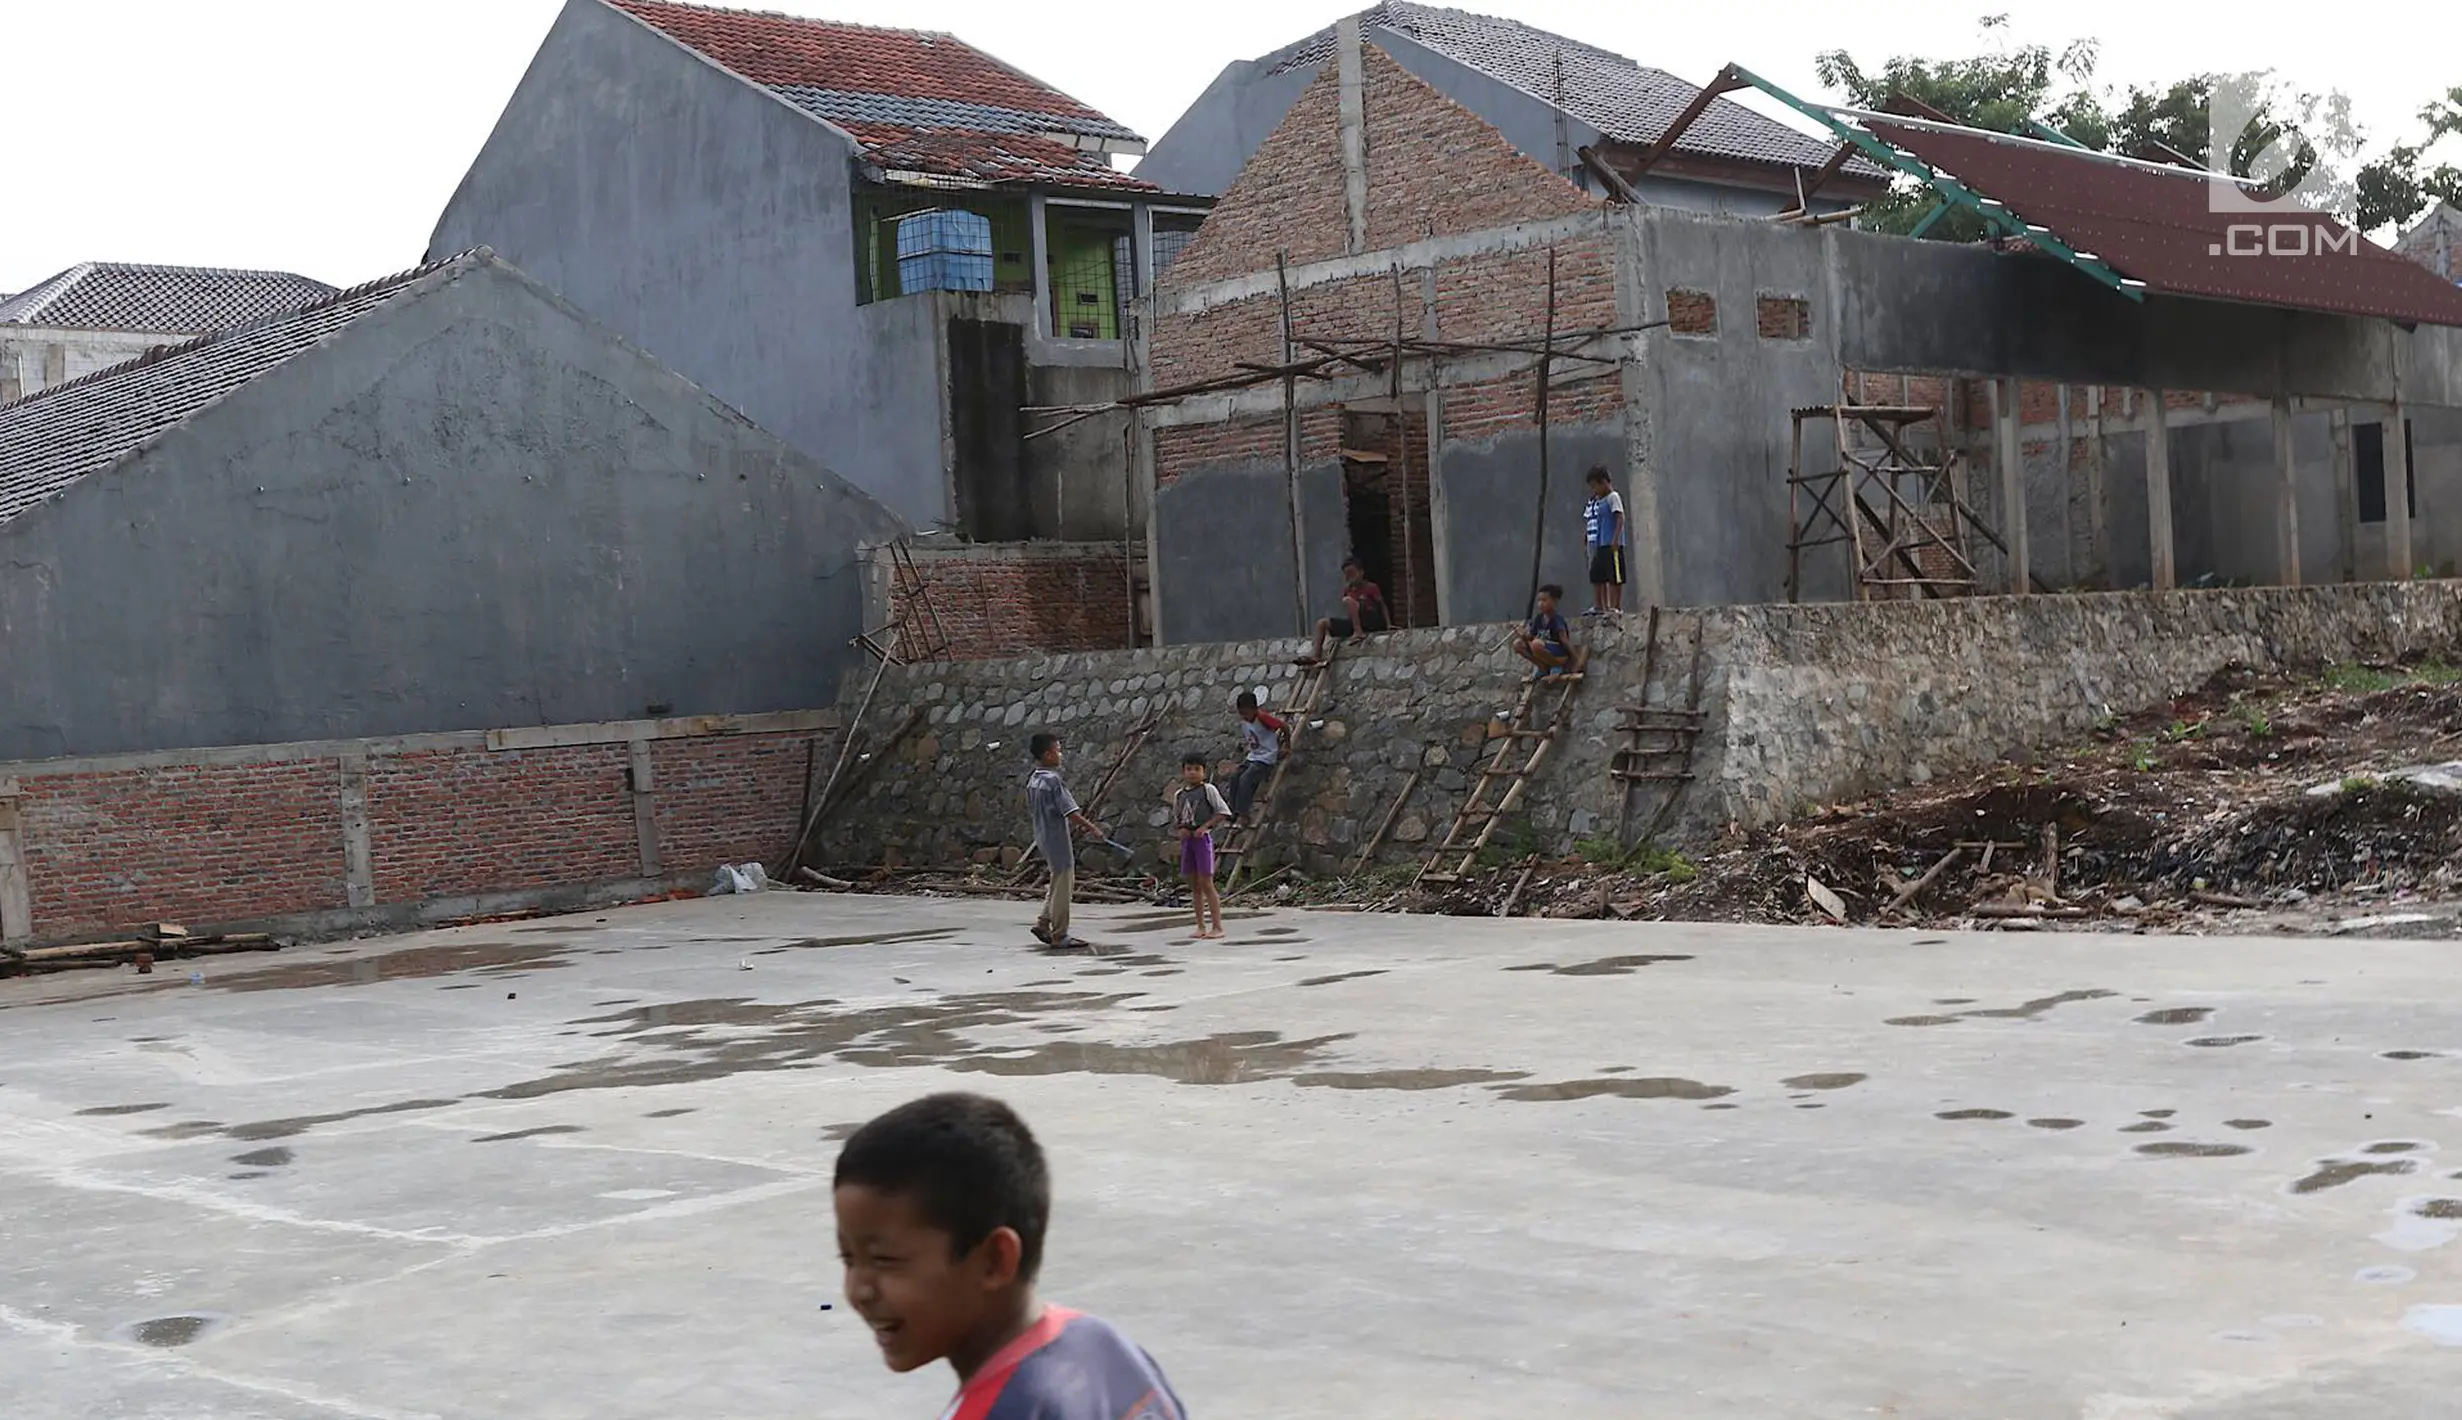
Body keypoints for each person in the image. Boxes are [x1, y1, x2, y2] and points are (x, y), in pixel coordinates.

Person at [834, 1093, 1187, 1420]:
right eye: (848, 1258)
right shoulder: (1105, 1345)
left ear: (994, 1261)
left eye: (884, 1260)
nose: (859, 1291)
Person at [1024, 733, 1104, 949]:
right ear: (1049, 754)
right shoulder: (1053, 781)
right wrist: (1093, 828)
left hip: (1042, 836)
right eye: (1058, 750)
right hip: (1057, 838)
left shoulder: (1033, 779)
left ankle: (1043, 923)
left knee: (1057, 881)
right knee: (1064, 886)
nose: (1061, 754)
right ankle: (1060, 934)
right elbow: (1071, 812)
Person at [1169, 754, 1231, 939]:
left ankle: (1218, 926)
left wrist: (1205, 827)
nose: (1193, 773)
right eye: (1189, 769)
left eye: (1197, 769)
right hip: (1188, 841)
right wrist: (1181, 830)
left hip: (1202, 840)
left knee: (1206, 882)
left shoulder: (1208, 790)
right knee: (1193, 884)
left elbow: (1222, 812)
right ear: (1183, 771)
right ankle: (1200, 925)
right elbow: (1178, 818)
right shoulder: (1179, 795)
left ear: (1204, 771)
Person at [1295, 557, 1389, 666]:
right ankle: (1316, 655)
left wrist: (1388, 624)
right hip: (1354, 622)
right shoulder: (1348, 590)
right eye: (1347, 575)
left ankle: (1358, 632)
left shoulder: (1371, 587)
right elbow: (1348, 609)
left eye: (1353, 574)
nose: (1350, 578)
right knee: (1322, 623)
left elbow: (1382, 606)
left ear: (1361, 572)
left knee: (1348, 600)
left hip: (1370, 621)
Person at [1226, 692, 1286, 824]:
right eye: (1241, 713)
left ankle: (1243, 814)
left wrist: (1287, 747)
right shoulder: (1244, 720)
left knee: (1246, 779)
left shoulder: (1262, 718)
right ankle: (1233, 811)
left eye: (1246, 713)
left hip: (1266, 758)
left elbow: (1283, 726)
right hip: (1253, 756)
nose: (1244, 717)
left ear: (1254, 709)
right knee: (1234, 777)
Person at [1583, 465, 1627, 618]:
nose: (1594, 490)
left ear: (1604, 482)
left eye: (1595, 486)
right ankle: (1599, 605)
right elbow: (1592, 520)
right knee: (1598, 575)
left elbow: (1620, 517)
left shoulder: (1613, 497)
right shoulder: (1598, 501)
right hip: (1600, 543)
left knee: (1614, 576)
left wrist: (1616, 538)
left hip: (1612, 543)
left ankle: (1615, 606)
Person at [1511, 584, 1578, 681]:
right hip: (1541, 650)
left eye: (1544, 600)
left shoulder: (1557, 619)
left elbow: (1565, 640)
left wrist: (1576, 660)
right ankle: (1542, 667)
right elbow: (1531, 637)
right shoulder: (1538, 619)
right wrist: (1523, 634)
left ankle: (1557, 667)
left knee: (1536, 644)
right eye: (1539, 601)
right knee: (1518, 644)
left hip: (1558, 655)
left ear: (1554, 601)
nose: (1540, 604)